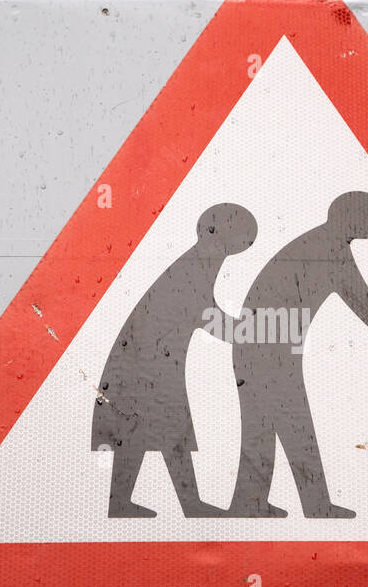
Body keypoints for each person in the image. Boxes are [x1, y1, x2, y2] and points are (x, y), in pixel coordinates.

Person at [226, 190, 368, 519]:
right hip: (269, 352)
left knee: (267, 426)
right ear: (356, 219)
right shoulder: (330, 251)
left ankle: (251, 502)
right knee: (292, 425)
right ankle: (311, 505)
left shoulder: (318, 243)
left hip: (259, 348)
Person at [93, 202, 258, 517]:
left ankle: (183, 503)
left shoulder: (199, 263)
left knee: (164, 431)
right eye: (236, 241)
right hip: (145, 364)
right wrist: (252, 331)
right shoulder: (193, 267)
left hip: (155, 362)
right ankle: (130, 503)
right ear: (210, 231)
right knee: (144, 431)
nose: (231, 250)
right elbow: (206, 313)